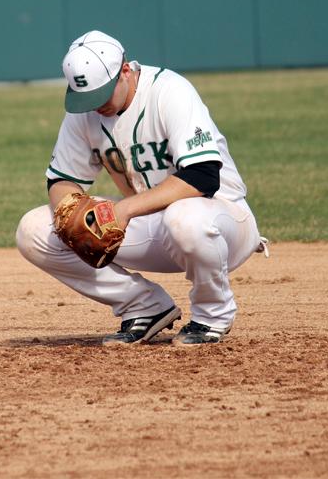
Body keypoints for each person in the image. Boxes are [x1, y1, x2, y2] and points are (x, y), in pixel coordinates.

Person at [16, 30, 268, 347]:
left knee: (184, 217)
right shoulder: (85, 112)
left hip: (221, 222)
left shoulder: (169, 91)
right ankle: (144, 307)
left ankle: (212, 315)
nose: (96, 106)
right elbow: (61, 178)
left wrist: (122, 210)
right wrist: (70, 213)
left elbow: (203, 177)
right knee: (35, 229)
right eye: (87, 98)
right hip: (151, 228)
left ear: (125, 70)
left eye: (102, 95)